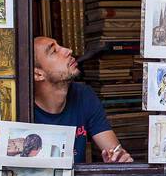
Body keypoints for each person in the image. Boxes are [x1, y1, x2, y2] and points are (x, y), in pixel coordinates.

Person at [32, 36, 132, 164]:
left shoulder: (84, 95)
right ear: (38, 74)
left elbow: (115, 152)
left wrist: (118, 159)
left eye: (60, 46)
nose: (68, 50)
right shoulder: (23, 109)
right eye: (54, 51)